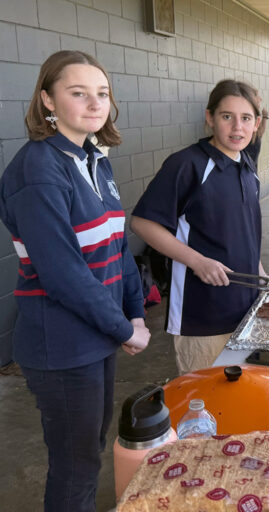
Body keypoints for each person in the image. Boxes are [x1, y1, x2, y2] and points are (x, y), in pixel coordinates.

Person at [0, 50, 150, 511]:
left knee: (90, 447)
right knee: (76, 463)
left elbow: (118, 246)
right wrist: (123, 328)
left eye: (102, 93)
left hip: (98, 334)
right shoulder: (37, 169)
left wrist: (135, 313)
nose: (95, 103)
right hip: (62, 344)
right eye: (78, 92)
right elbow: (62, 274)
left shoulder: (94, 160)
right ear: (48, 100)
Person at [131, 79, 264, 374]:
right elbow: (142, 223)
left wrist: (260, 273)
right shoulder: (187, 164)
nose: (237, 127)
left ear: (257, 123)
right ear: (210, 118)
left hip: (247, 309)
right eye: (227, 116)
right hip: (203, 314)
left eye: (246, 118)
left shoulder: (247, 165)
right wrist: (198, 261)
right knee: (207, 396)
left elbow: (245, 231)